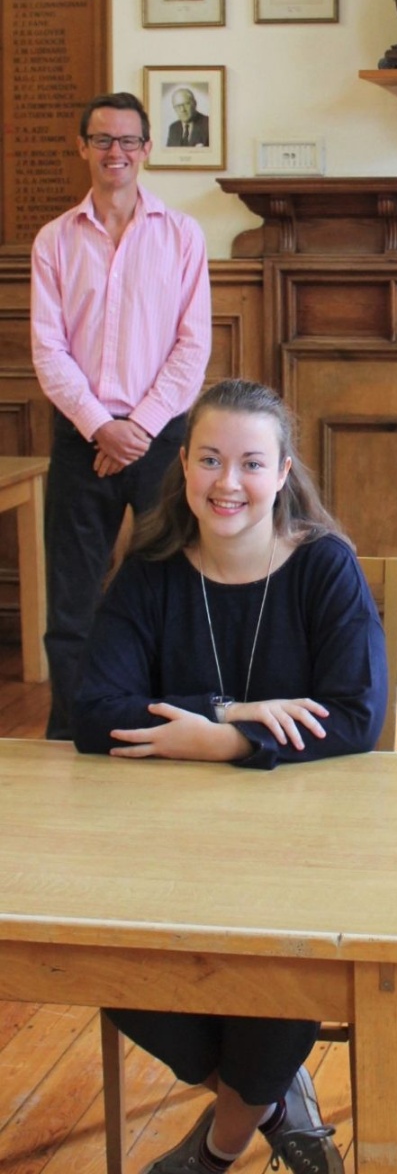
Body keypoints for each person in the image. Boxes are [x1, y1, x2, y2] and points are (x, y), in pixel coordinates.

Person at [73, 378, 389, 1174]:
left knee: (293, 958)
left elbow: (353, 716)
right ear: (182, 468)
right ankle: (276, 1100)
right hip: (166, 853)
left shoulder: (325, 569)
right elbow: (92, 714)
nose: (228, 483)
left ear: (283, 473)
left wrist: (223, 744)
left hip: (310, 852)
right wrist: (237, 714)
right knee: (102, 953)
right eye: (210, 460)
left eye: (250, 463)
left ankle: (217, 1148)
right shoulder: (148, 573)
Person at [30, 90, 211, 742]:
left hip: (162, 438)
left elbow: (193, 346)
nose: (116, 153)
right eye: (103, 140)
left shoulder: (182, 235)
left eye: (128, 141)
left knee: (175, 590)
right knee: (72, 603)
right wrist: (100, 427)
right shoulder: (54, 240)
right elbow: (47, 350)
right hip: (82, 437)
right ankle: (71, 734)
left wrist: (137, 428)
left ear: (146, 150)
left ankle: (170, 729)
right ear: (83, 147)